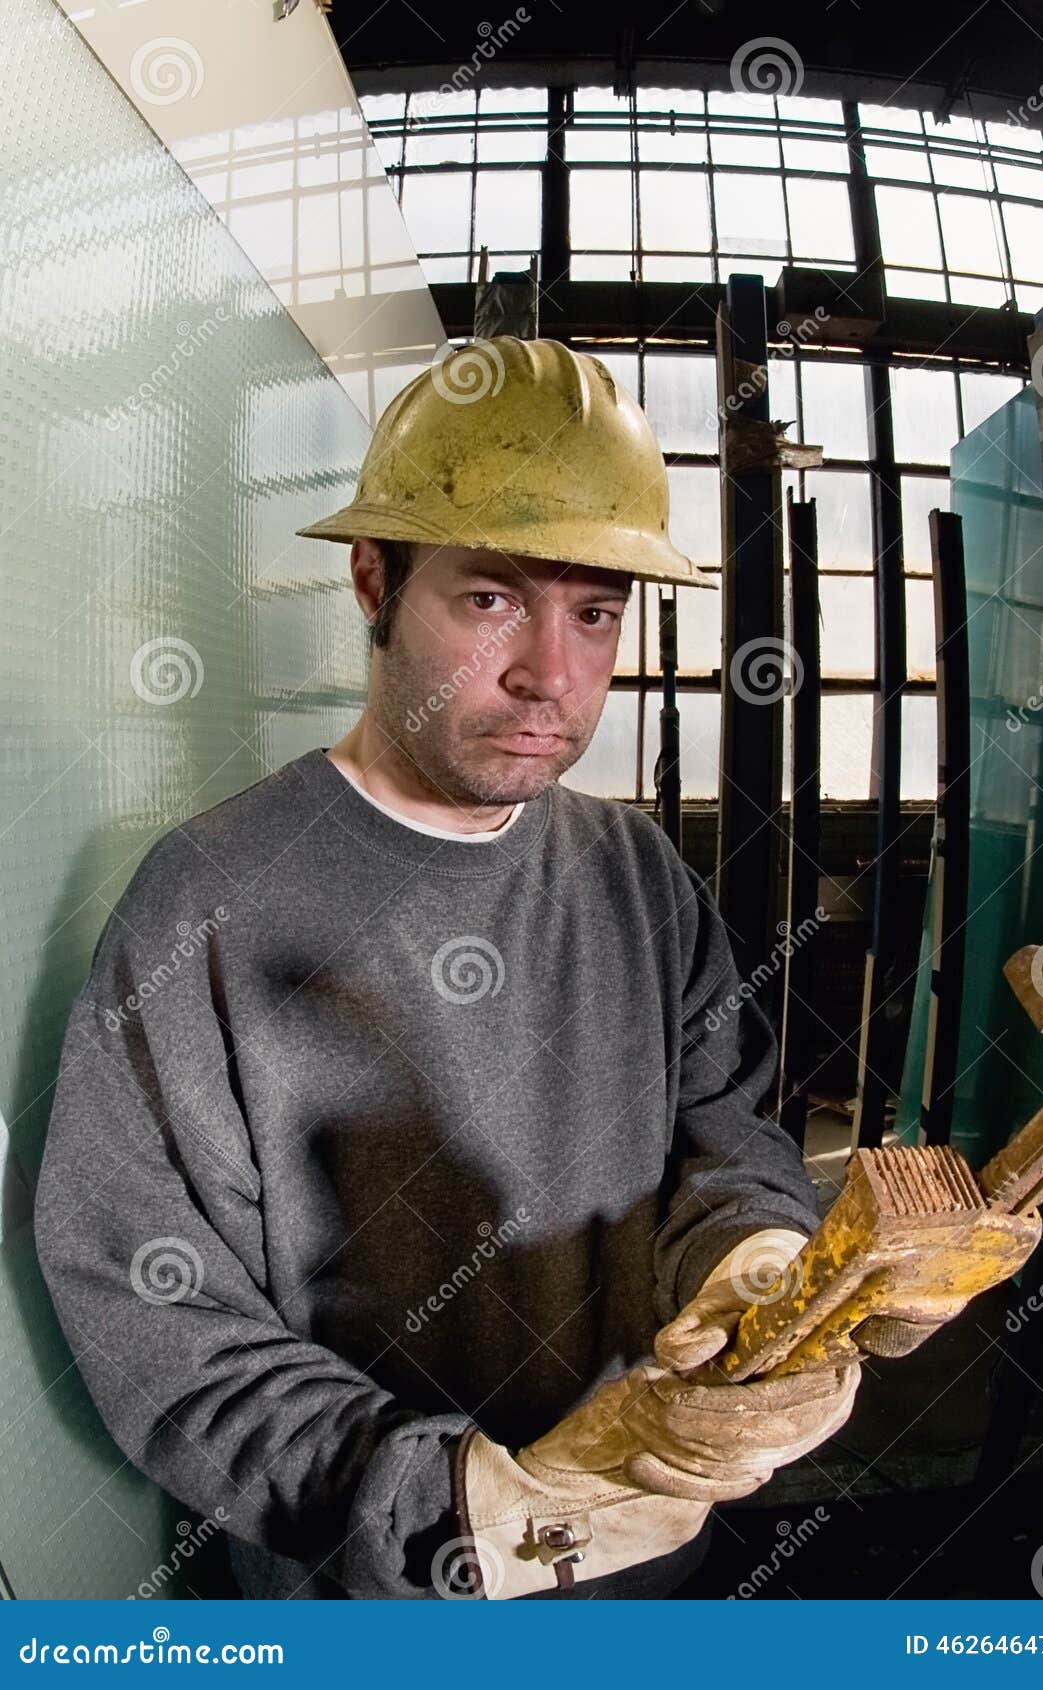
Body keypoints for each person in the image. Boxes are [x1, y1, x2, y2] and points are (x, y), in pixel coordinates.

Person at [34, 337, 860, 1601]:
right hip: (374, 1600)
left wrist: (748, 1255)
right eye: (490, 599)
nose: (552, 673)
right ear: (373, 580)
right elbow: (156, 1303)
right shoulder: (206, 901)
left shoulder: (638, 876)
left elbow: (724, 1130)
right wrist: (452, 1508)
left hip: (645, 1560)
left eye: (595, 612)